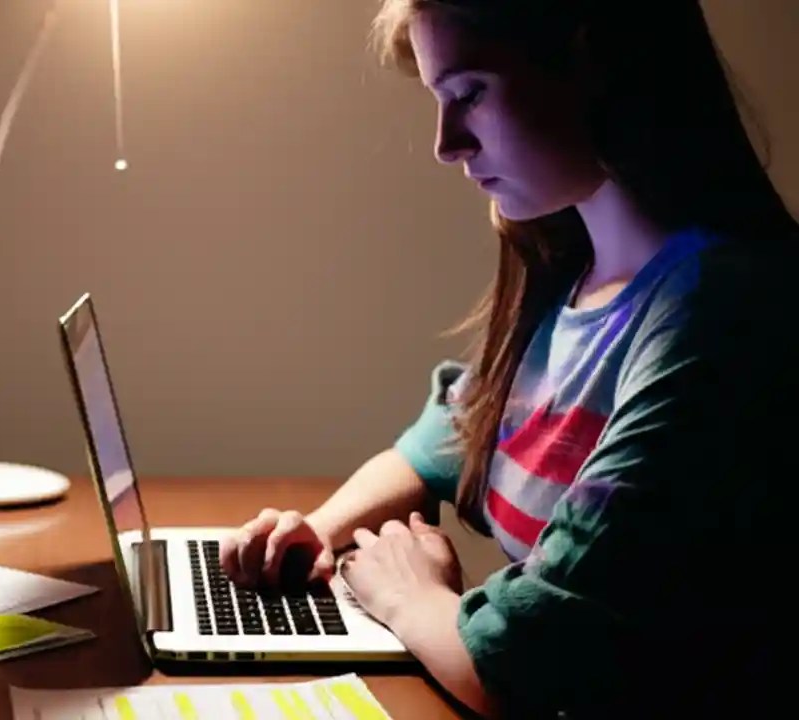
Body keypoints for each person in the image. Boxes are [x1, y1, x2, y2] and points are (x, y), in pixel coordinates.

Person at [219, 1, 796, 717]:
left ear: (594, 64)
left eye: (469, 93)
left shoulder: (720, 314)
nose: (446, 142)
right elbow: (447, 438)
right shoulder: (575, 272)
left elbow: (523, 668)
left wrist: (410, 596)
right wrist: (320, 531)